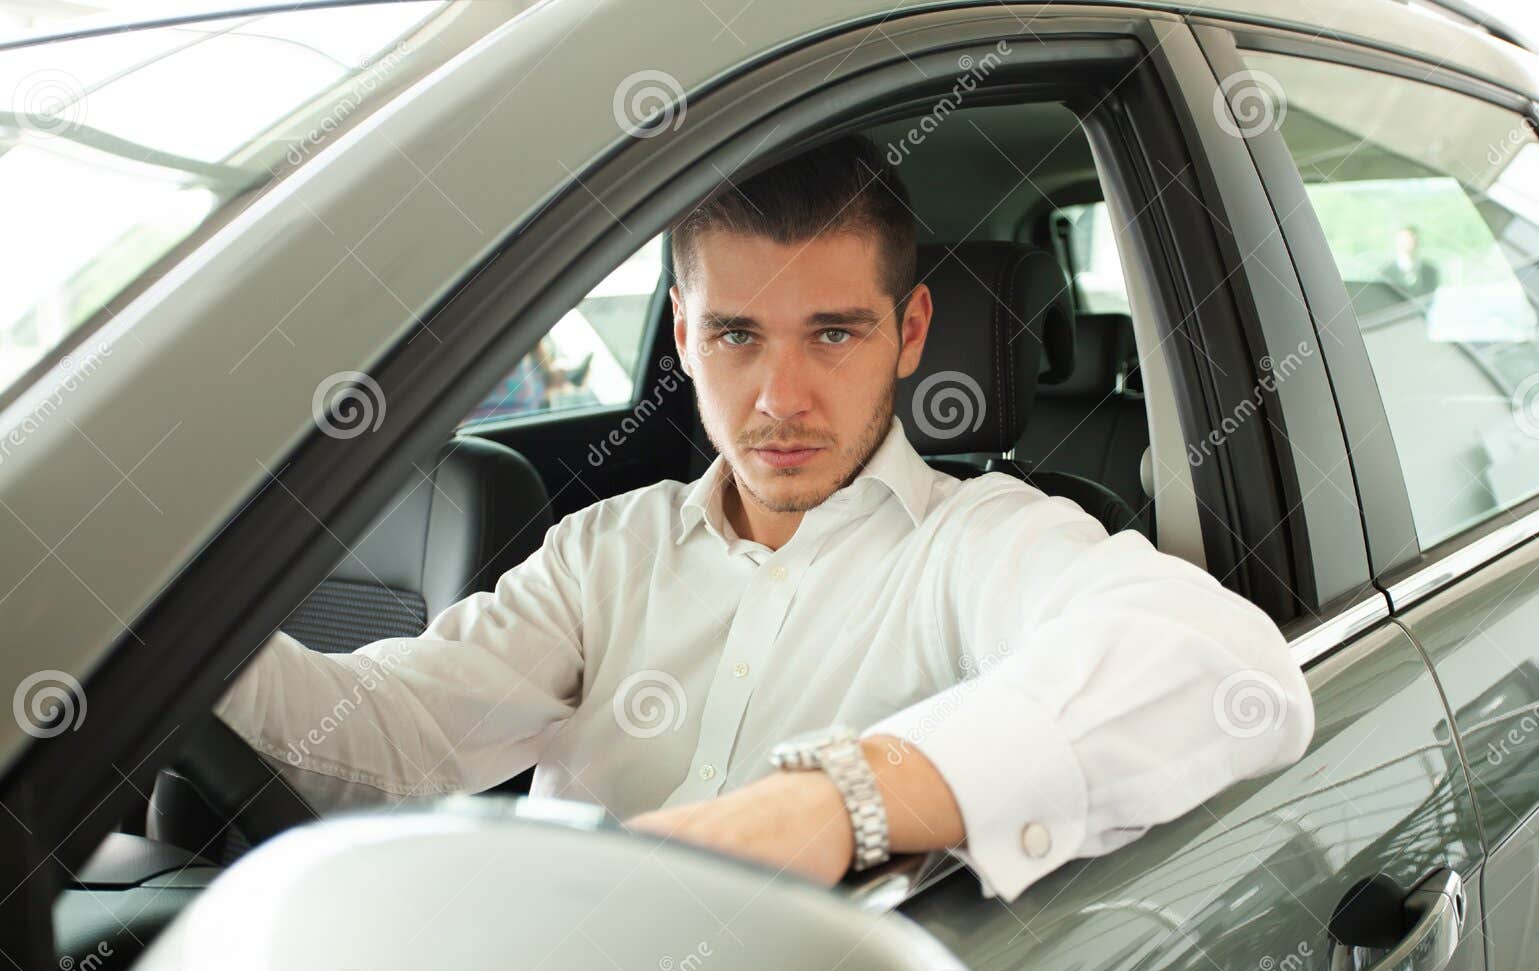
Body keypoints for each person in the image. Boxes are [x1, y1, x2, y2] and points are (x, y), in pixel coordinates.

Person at [216, 134, 1313, 903]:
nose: (781, 398)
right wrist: (178, 645)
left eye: (833, 333)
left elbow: (1224, 666)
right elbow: (387, 734)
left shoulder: (981, 541)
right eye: (737, 335)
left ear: (910, 332)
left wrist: (832, 804)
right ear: (683, 337)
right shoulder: (607, 549)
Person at [1380, 225, 1440, 299]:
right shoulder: (1386, 273)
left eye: (1413, 237)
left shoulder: (1430, 271)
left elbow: (1432, 297)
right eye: (1406, 238)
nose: (1410, 241)